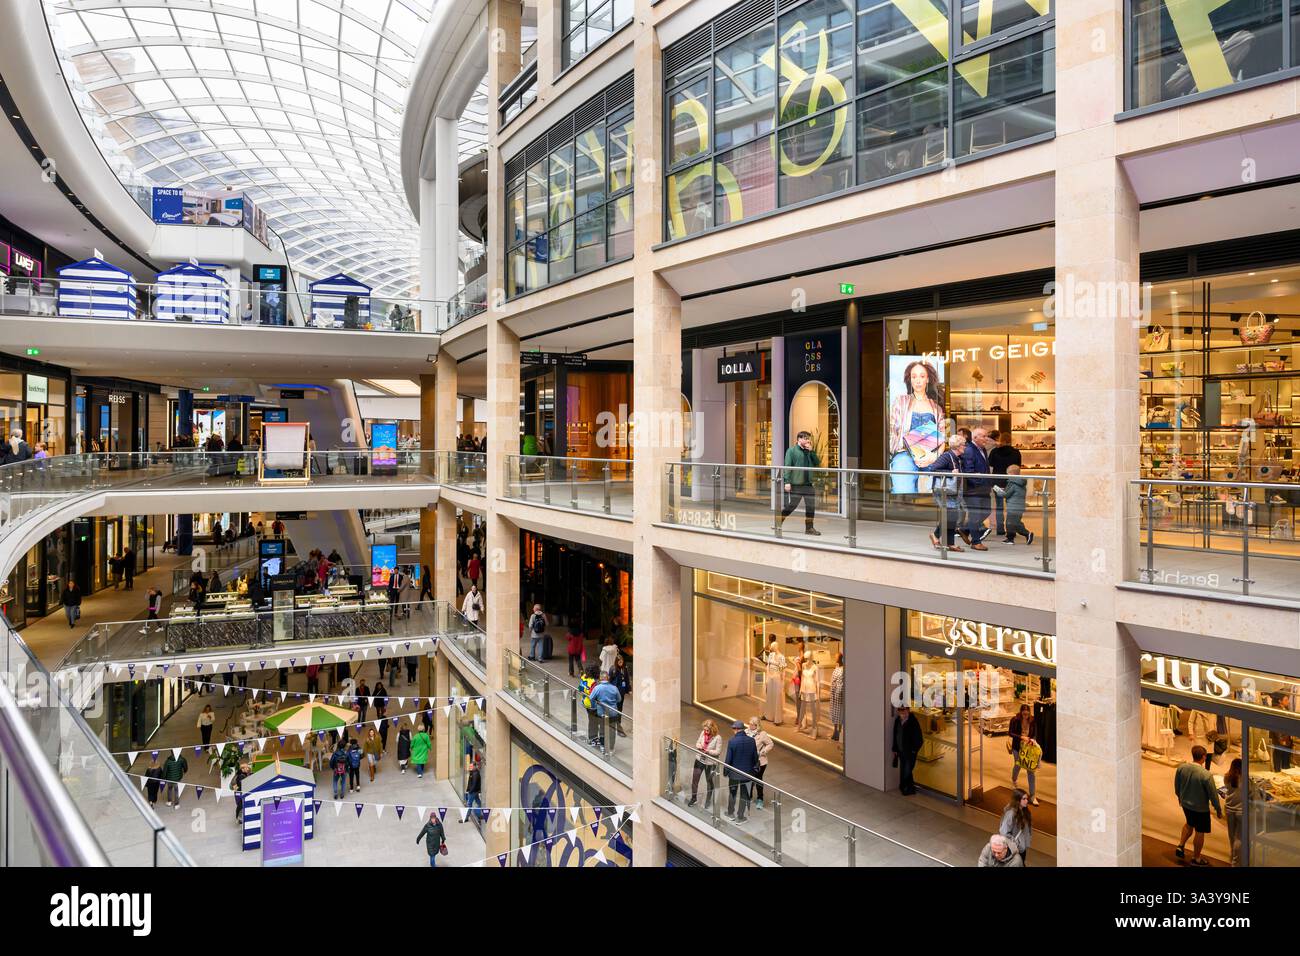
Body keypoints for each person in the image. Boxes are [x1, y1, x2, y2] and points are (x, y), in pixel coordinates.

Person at [888, 360, 945, 494]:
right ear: (910, 380)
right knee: (903, 491)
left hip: (931, 456)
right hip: (904, 454)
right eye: (914, 377)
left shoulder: (936, 407)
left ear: (928, 379)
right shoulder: (901, 401)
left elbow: (942, 437)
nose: (918, 380)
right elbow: (892, 431)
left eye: (922, 376)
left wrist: (934, 456)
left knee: (936, 496)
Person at [1175, 745, 1223, 866]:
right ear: (1203, 757)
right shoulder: (1206, 775)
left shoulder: (1182, 768)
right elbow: (1213, 794)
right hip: (1200, 809)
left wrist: (1180, 798)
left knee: (1189, 823)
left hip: (1186, 804)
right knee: (1200, 831)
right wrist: (1218, 809)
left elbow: (1177, 786)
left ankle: (1181, 846)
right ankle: (1196, 858)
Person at [923, 432, 967, 551]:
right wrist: (950, 473)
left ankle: (944, 540)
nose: (965, 447)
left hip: (952, 491)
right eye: (964, 444)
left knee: (951, 516)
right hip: (944, 491)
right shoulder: (947, 456)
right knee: (951, 515)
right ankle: (942, 539)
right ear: (958, 446)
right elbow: (934, 468)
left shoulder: (957, 458)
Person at [779, 430, 822, 536]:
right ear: (799, 439)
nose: (808, 440)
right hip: (797, 484)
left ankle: (809, 528)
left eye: (808, 438)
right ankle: (778, 521)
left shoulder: (809, 451)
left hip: (808, 484)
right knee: (791, 506)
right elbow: (787, 466)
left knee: (811, 507)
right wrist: (787, 482)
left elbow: (817, 463)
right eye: (805, 438)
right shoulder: (792, 451)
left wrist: (812, 451)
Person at [958, 426, 994, 549]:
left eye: (986, 436)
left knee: (986, 511)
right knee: (975, 514)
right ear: (975, 437)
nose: (986, 438)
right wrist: (979, 483)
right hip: (973, 489)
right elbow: (969, 471)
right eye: (984, 436)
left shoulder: (982, 449)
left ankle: (965, 529)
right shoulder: (969, 450)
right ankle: (976, 542)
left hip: (984, 488)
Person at [987, 430, 1022, 536]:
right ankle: (1011, 530)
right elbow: (1018, 467)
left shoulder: (994, 452)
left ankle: (1000, 529)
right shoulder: (1016, 452)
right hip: (1012, 482)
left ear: (1001, 440)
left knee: (999, 506)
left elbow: (990, 465)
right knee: (1011, 506)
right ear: (1010, 441)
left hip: (997, 481)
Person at [723, 720, 759, 822]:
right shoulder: (751, 741)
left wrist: (725, 771)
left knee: (732, 793)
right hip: (747, 773)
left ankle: (730, 813)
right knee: (744, 794)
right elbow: (755, 757)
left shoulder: (732, 741)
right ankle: (740, 817)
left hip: (734, 773)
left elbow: (728, 759)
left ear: (735, 729)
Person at [1008, 704, 1041, 805]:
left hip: (1028, 749)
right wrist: (1021, 737)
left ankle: (1032, 796)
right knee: (1018, 765)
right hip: (1017, 748)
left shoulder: (1033, 720)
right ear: (1021, 711)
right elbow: (1010, 733)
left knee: (1031, 771)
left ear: (1029, 712)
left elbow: (1035, 733)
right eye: (1023, 711)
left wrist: (1032, 740)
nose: (1025, 713)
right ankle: (1014, 781)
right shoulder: (1015, 719)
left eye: (1027, 711)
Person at [993, 464, 1035, 544]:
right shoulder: (1021, 482)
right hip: (1020, 506)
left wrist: (998, 491)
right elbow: (1012, 492)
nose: (1007, 475)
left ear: (1011, 474)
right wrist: (1004, 490)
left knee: (1010, 523)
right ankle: (1024, 535)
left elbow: (1005, 494)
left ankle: (1012, 538)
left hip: (1013, 507)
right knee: (1016, 523)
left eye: (1008, 473)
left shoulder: (1012, 483)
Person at [688, 719, 722, 809]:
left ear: (712, 729)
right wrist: (699, 746)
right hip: (699, 760)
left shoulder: (718, 738)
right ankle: (693, 798)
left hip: (710, 763)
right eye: (705, 729)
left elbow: (718, 752)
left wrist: (708, 751)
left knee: (709, 782)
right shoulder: (703, 733)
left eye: (708, 730)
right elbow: (698, 742)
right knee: (695, 780)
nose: (706, 732)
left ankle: (708, 800)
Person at [892, 704, 923, 795]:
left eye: (904, 710)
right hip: (901, 751)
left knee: (907, 769)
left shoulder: (913, 722)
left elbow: (919, 739)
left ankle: (903, 786)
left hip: (910, 752)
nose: (902, 712)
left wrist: (914, 750)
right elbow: (895, 735)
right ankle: (910, 788)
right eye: (900, 710)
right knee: (904, 769)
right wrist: (895, 748)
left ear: (908, 710)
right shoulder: (898, 721)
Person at [589, 671, 623, 752]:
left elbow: (591, 698)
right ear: (608, 678)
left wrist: (594, 707)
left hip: (602, 713)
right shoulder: (614, 688)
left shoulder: (597, 688)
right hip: (613, 712)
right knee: (612, 730)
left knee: (602, 729)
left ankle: (603, 746)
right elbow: (619, 699)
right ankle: (611, 748)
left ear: (600, 678)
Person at [746, 717, 774, 810]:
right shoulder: (746, 732)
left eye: (751, 724)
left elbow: (770, 744)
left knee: (758, 779)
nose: (749, 726)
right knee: (749, 778)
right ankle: (748, 796)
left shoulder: (762, 734)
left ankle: (760, 799)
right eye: (749, 723)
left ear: (756, 725)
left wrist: (763, 751)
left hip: (760, 761)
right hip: (748, 761)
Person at [1000, 788, 1033, 864]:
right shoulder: (1011, 814)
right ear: (1017, 800)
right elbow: (1004, 832)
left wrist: (1026, 840)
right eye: (1024, 799)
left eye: (1027, 799)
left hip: (1022, 848)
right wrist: (1016, 843)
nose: (1026, 801)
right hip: (1014, 848)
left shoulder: (1024, 811)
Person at [1223, 757, 1243, 866]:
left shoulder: (1227, 777)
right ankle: (1236, 861)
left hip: (1229, 809)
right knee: (1239, 837)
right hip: (1241, 810)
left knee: (1231, 835)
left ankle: (1232, 854)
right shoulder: (1245, 779)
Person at [763, 640, 786, 724]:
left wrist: (783, 682)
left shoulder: (781, 657)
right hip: (770, 677)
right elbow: (768, 666)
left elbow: (783, 670)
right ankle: (768, 715)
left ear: (776, 647)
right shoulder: (771, 655)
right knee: (769, 696)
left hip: (777, 678)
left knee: (777, 697)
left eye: (773, 648)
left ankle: (777, 719)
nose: (772, 649)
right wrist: (767, 677)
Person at [797, 655, 820, 738]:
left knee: (814, 711)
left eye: (808, 658)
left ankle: (814, 729)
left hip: (812, 690)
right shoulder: (803, 665)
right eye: (806, 659)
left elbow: (817, 681)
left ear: (811, 658)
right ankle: (799, 726)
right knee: (802, 709)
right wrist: (800, 690)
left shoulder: (815, 667)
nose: (807, 660)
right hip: (804, 689)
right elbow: (802, 678)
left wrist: (818, 693)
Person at [608, 656, 631, 738]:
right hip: (614, 692)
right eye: (619, 662)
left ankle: (618, 723)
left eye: (622, 662)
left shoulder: (624, 669)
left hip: (622, 692)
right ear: (616, 662)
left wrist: (629, 689)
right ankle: (617, 727)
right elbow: (609, 681)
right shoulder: (613, 669)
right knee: (615, 709)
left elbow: (627, 679)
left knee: (620, 709)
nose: (621, 663)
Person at [829, 653, 845, 742]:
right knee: (835, 711)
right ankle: (835, 730)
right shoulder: (837, 668)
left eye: (836, 657)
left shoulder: (843, 670)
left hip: (839, 693)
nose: (835, 658)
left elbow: (841, 683)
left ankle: (838, 731)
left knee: (839, 711)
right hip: (834, 693)